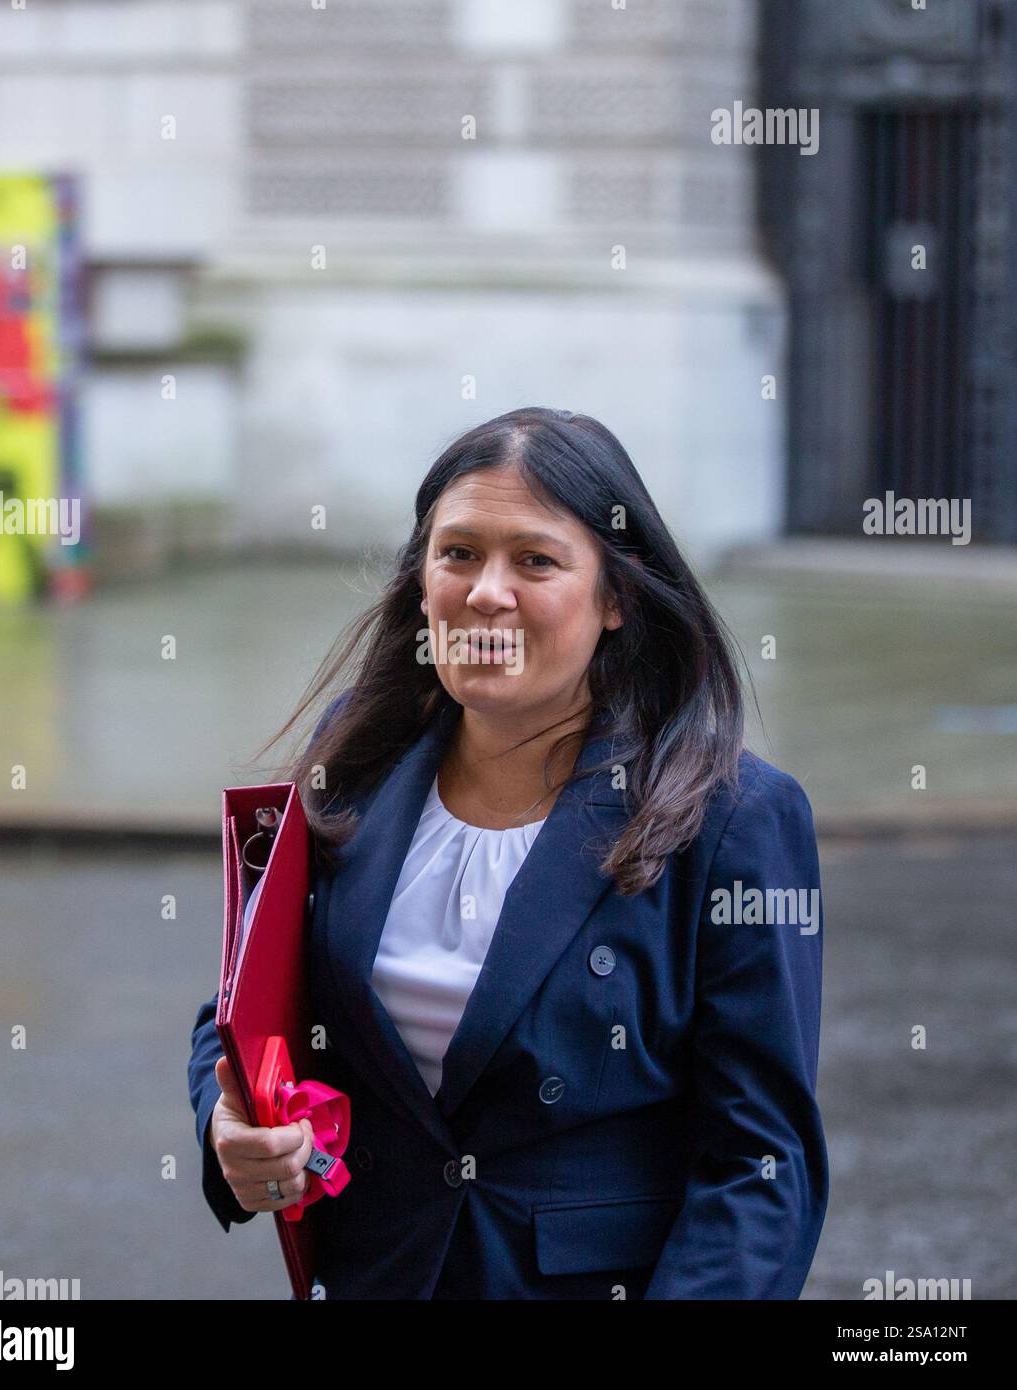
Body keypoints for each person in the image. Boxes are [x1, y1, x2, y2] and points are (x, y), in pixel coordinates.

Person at [187, 406, 829, 1299]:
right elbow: (247, 1004)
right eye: (458, 554)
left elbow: (759, 1165)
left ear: (616, 598)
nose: (488, 591)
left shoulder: (732, 818)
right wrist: (232, 1127)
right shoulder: (357, 756)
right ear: (422, 582)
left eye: (535, 560)